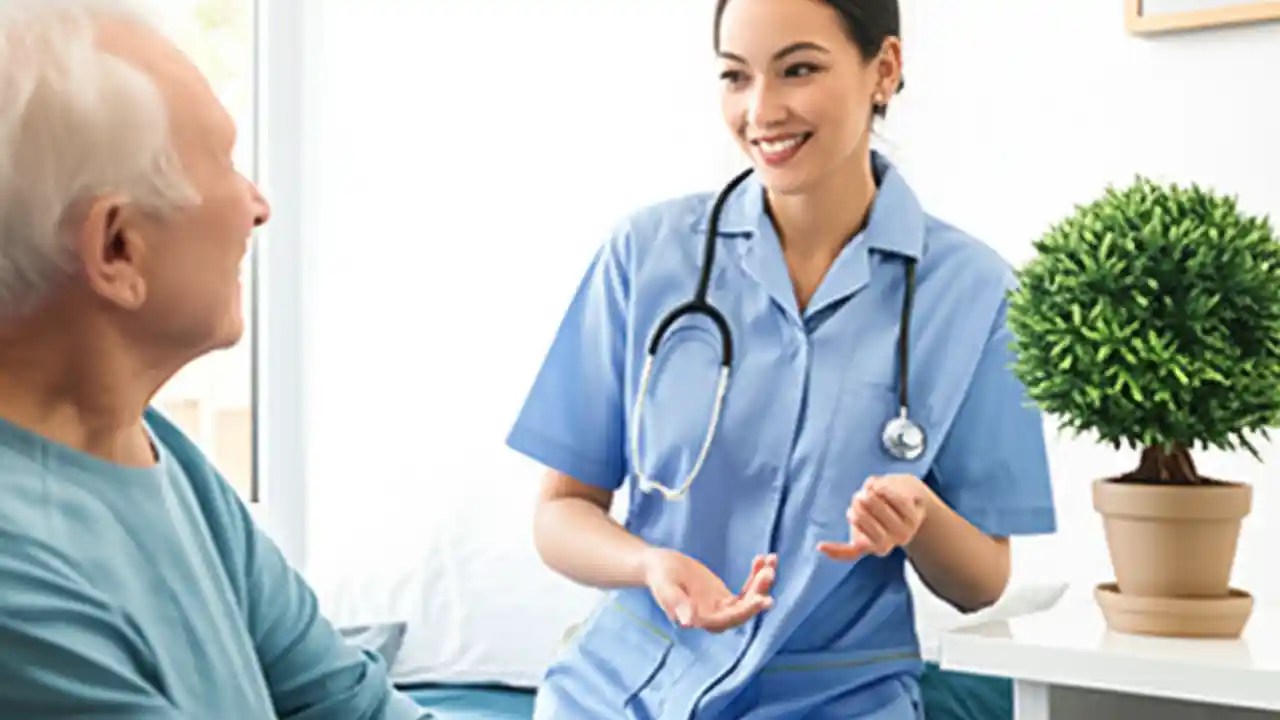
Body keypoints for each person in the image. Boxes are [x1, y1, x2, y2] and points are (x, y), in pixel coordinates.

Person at [505, 0, 1057, 717]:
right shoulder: (645, 256)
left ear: (883, 69)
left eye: (798, 69)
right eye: (736, 78)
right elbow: (561, 514)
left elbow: (981, 581)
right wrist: (649, 564)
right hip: (626, 686)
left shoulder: (975, 294)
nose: (761, 110)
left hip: (835, 696)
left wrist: (919, 517)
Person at [0, 2, 425, 717]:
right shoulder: (19, 585)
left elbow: (347, 705)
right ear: (117, 248)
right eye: (226, 162)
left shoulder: (152, 450)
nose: (256, 206)